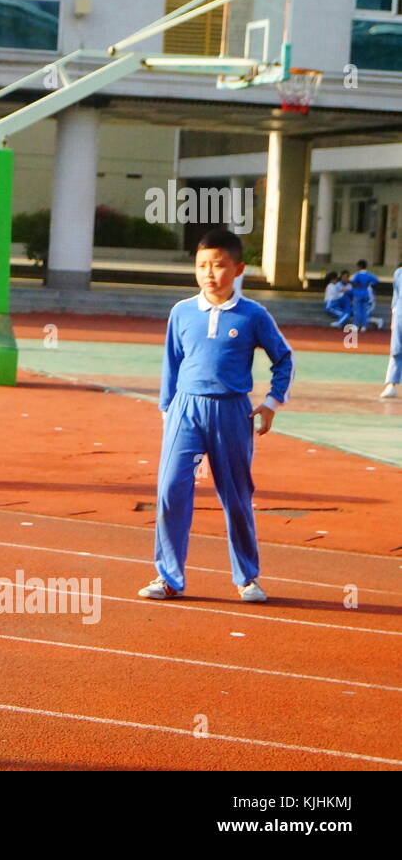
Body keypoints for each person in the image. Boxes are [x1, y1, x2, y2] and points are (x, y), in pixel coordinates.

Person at [139, 228, 293, 604]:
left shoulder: (253, 315)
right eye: (202, 265)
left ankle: (247, 577)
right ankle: (168, 576)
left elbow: (283, 359)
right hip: (185, 411)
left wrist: (272, 403)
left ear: (238, 268)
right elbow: (171, 364)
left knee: (237, 496)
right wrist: (167, 410)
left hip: (232, 412)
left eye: (219, 265)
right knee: (172, 491)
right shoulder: (182, 312)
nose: (210, 273)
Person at [383, 261, 402, 399]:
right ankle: (391, 384)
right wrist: (394, 318)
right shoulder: (399, 273)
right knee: (396, 350)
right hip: (400, 315)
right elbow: (395, 299)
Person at [345, 260, 380, 331]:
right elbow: (376, 280)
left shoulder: (357, 275)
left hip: (358, 293)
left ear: (359, 266)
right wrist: (369, 284)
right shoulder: (369, 275)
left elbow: (353, 282)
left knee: (357, 310)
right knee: (364, 311)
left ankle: (356, 325)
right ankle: (364, 326)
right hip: (365, 293)